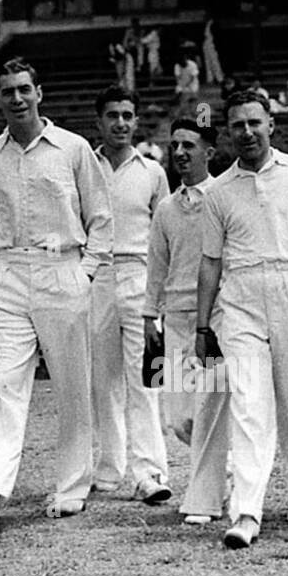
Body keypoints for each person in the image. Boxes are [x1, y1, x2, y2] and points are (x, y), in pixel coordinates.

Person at [0, 58, 113, 528]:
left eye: (24, 89)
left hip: (62, 269)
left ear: (39, 93)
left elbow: (100, 219)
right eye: (7, 92)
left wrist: (84, 272)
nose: (17, 99)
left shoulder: (74, 148)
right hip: (9, 275)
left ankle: (71, 486)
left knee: (70, 386)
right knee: (5, 383)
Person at [195, 89, 288, 549]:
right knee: (248, 402)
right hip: (240, 294)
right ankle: (246, 510)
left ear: (271, 125)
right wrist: (203, 327)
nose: (247, 132)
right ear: (228, 132)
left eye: (255, 123)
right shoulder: (219, 190)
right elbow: (209, 263)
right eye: (238, 125)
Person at [143, 118, 230, 524]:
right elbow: (156, 267)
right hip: (175, 320)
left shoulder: (223, 198)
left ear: (208, 152)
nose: (179, 153)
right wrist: (149, 316)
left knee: (209, 405)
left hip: (215, 321)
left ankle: (207, 492)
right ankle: (220, 471)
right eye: (174, 145)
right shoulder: (164, 209)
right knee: (179, 418)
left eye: (189, 146)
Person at [90, 85, 173, 502]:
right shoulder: (84, 167)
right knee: (102, 381)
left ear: (136, 121)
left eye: (127, 115)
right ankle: (108, 467)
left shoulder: (153, 172)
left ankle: (150, 474)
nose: (120, 123)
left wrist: (157, 295)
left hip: (141, 279)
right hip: (98, 278)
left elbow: (164, 237)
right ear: (99, 121)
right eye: (112, 115)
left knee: (147, 380)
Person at [202, 16, 224, 84]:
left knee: (215, 63)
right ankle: (210, 79)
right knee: (208, 63)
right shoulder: (206, 26)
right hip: (206, 46)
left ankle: (220, 78)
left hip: (212, 46)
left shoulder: (213, 26)